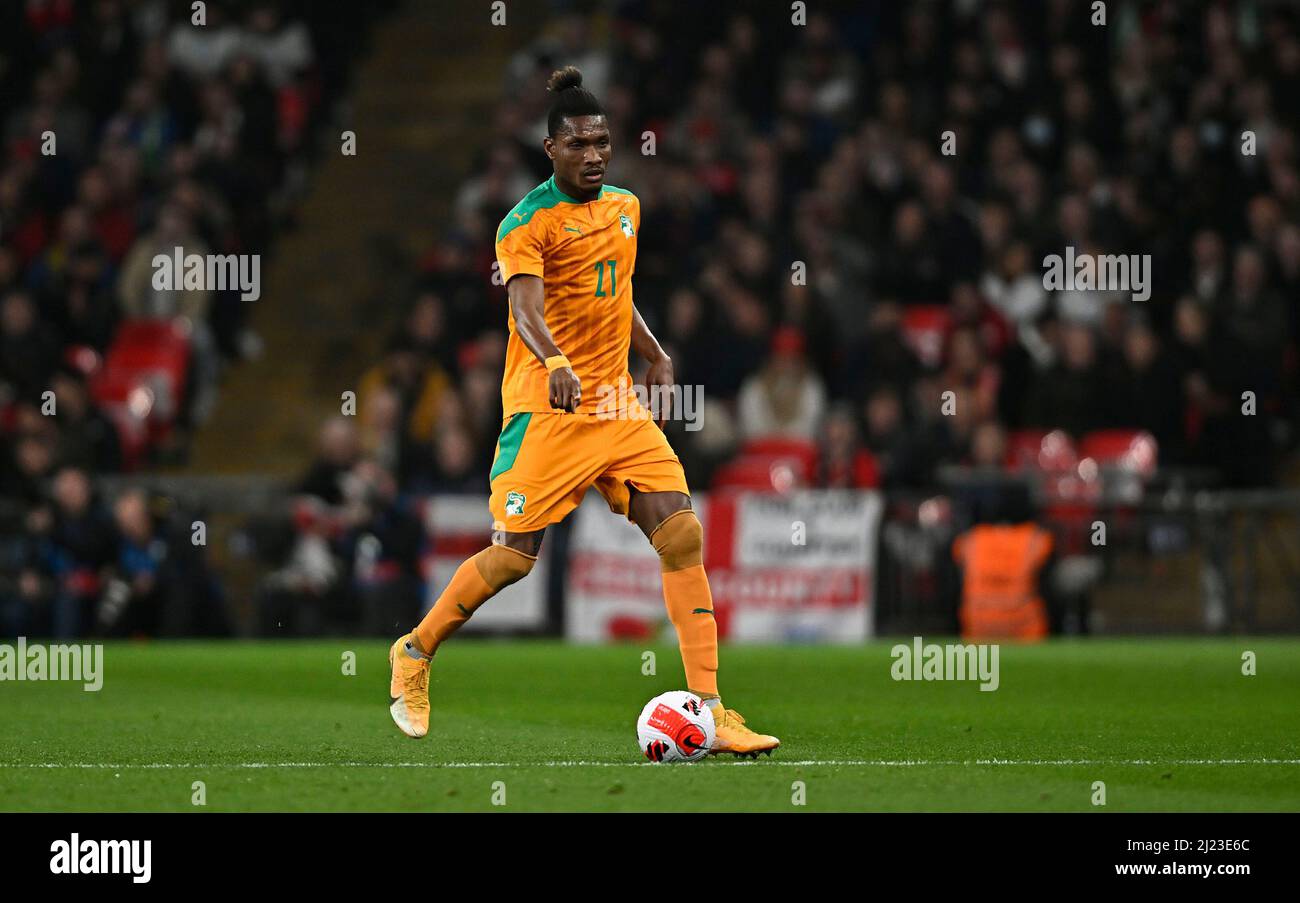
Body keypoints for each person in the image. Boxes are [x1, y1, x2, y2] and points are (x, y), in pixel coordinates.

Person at [388, 67, 779, 756]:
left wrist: (653, 351)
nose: (595, 153)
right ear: (551, 149)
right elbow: (525, 307)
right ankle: (415, 652)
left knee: (682, 535)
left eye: (602, 141)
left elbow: (613, 295)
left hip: (617, 405)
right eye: (580, 143)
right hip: (547, 408)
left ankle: (713, 711)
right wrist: (557, 362)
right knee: (513, 560)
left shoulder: (626, 207)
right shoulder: (525, 222)